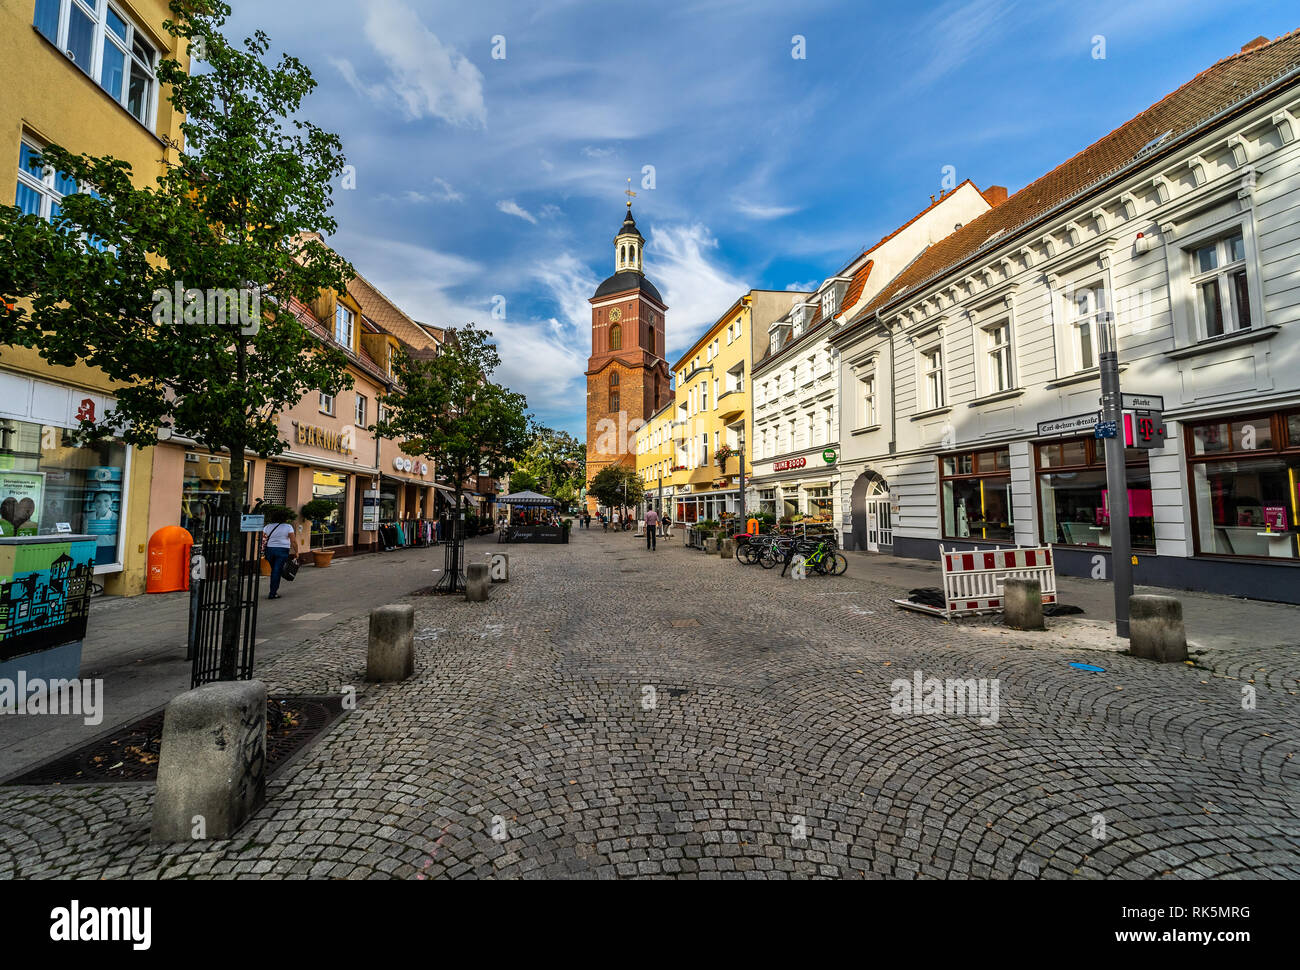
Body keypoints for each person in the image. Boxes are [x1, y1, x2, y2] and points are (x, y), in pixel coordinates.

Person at [261, 513, 298, 600]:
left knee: (275, 570)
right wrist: (296, 552)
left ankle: (273, 590)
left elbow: (262, 538)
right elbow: (293, 541)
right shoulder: (288, 527)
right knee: (276, 571)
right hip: (282, 550)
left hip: (270, 550)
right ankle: (273, 593)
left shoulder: (267, 526)